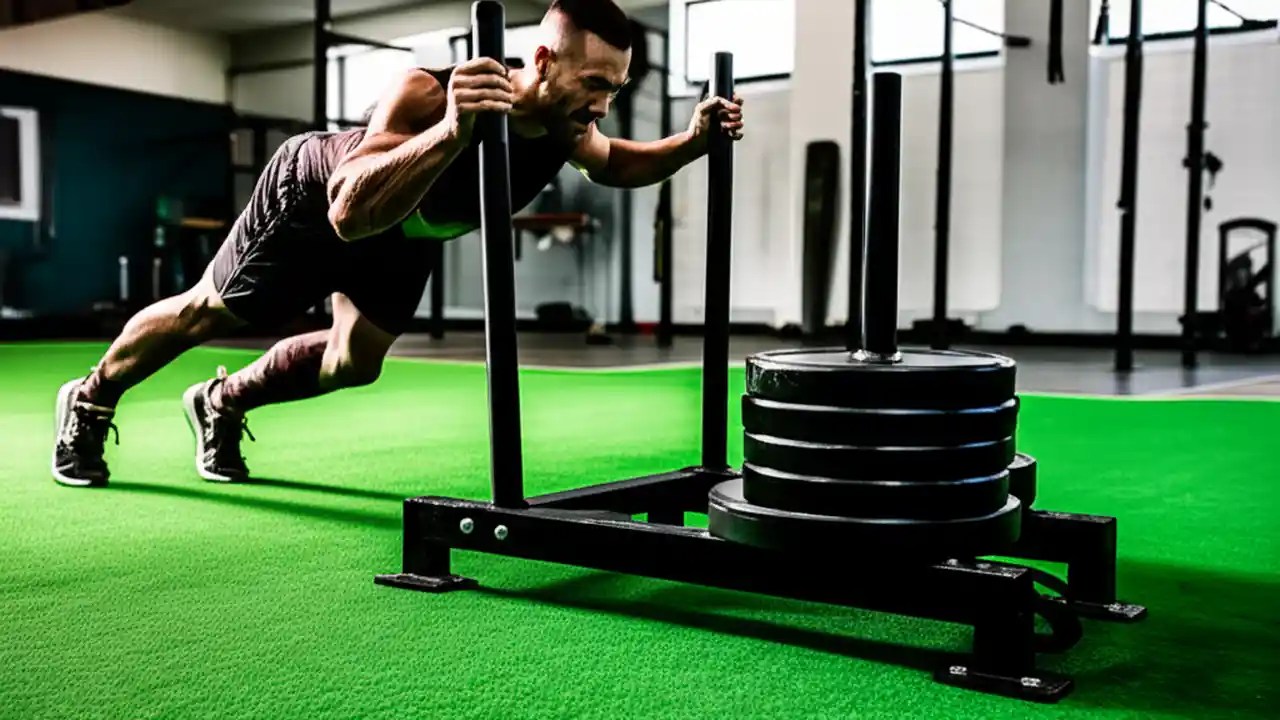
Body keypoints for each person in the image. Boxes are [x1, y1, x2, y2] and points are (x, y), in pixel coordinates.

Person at [50, 0, 745, 487]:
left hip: (404, 236)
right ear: (541, 60)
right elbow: (349, 214)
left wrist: (692, 142)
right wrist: (451, 132)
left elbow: (615, 161)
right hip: (317, 199)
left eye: (614, 88)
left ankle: (221, 401)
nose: (602, 105)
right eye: (593, 83)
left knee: (354, 363)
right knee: (209, 311)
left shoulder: (570, 124)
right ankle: (90, 397)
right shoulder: (428, 92)